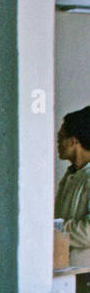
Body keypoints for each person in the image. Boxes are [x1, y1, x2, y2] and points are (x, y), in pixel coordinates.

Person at [55, 106, 90, 262]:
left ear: (74, 140)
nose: (57, 143)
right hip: (71, 272)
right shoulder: (71, 176)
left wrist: (55, 231)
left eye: (61, 137)